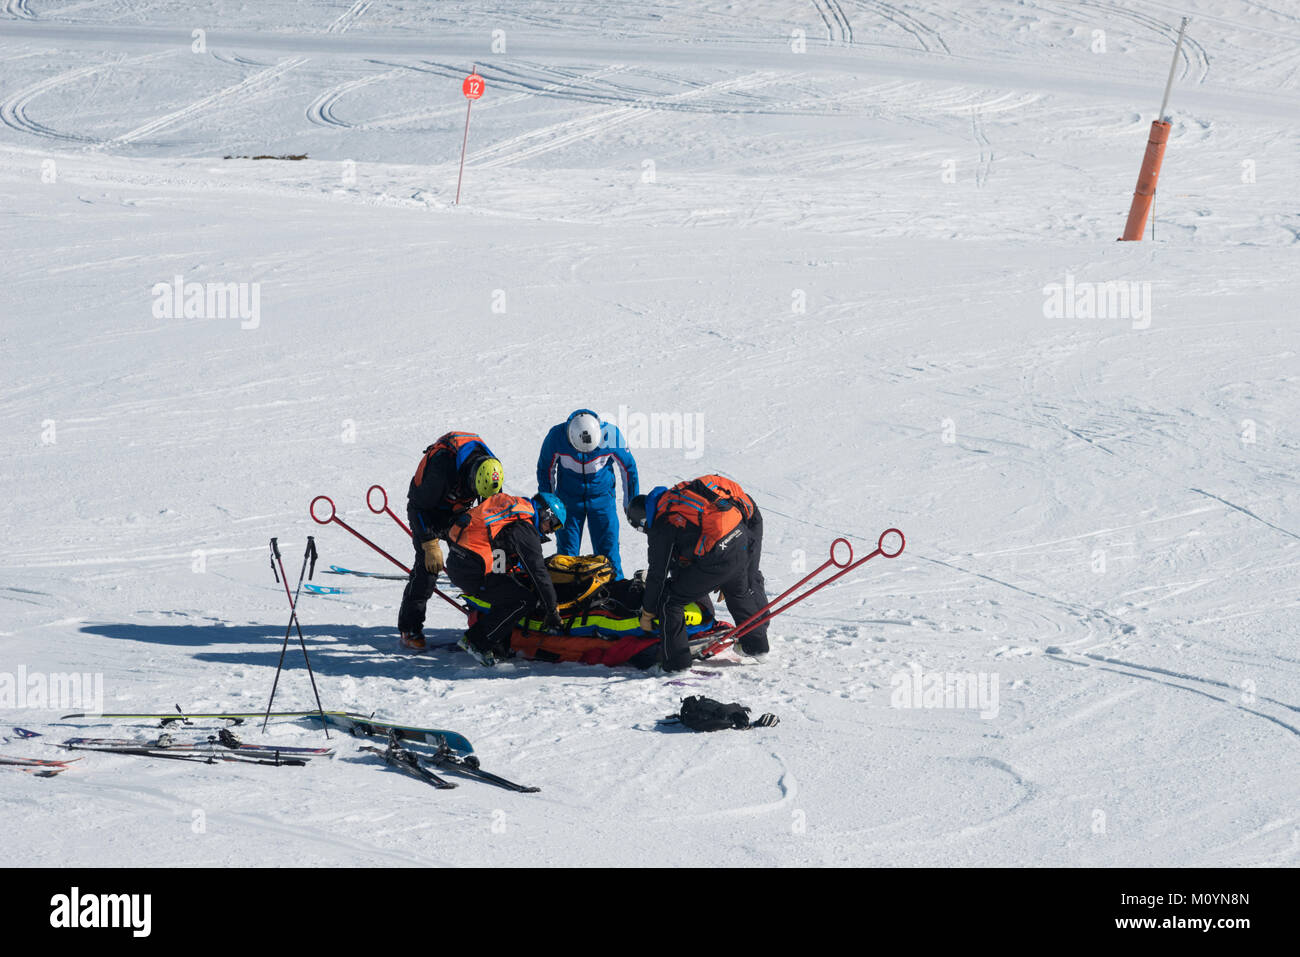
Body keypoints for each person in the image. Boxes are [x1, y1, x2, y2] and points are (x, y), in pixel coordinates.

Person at [626, 475, 769, 672]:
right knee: (737, 592)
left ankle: (676, 664)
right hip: (739, 539)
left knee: (670, 601)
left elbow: (658, 574)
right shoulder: (679, 499)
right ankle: (757, 648)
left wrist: (648, 611)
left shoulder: (663, 521)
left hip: (720, 552)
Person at [398, 431, 504, 651]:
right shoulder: (442, 468)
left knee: (481, 559)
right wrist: (429, 543)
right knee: (427, 569)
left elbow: (493, 508)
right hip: (427, 512)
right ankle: (410, 628)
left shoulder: (492, 472)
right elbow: (418, 506)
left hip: (459, 511)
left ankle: (485, 620)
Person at [445, 491, 566, 666]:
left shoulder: (514, 511)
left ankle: (499, 647)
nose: (550, 531)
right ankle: (476, 641)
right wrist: (552, 608)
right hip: (472, 570)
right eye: (553, 525)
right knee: (524, 600)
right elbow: (538, 571)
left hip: (461, 561)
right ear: (545, 512)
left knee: (508, 589)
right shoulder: (525, 527)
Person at [536, 409, 638, 578]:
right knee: (567, 555)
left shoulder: (611, 436)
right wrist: (548, 505)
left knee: (608, 552)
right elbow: (545, 469)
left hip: (602, 501)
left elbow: (628, 468)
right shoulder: (556, 437)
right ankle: (567, 594)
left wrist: (631, 503)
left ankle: (616, 591)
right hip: (567, 503)